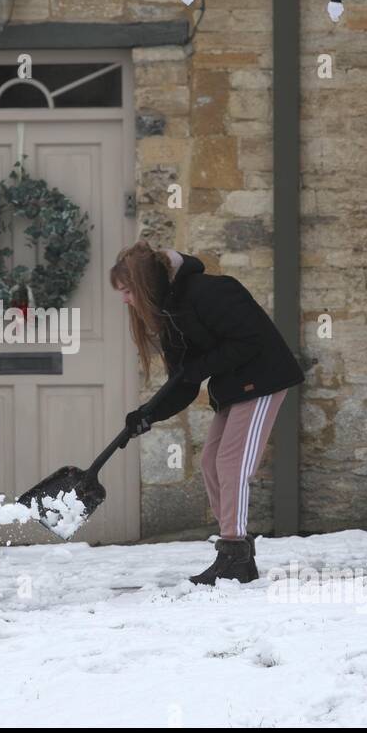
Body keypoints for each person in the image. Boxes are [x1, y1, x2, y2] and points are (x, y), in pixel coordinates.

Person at [110, 241, 305, 585]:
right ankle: (237, 550)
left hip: (264, 377)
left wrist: (198, 368)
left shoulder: (212, 292)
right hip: (233, 387)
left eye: (126, 291)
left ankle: (233, 552)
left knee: (232, 464)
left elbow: (250, 341)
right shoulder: (168, 315)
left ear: (143, 284)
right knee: (210, 463)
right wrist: (148, 415)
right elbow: (183, 383)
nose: (124, 299)